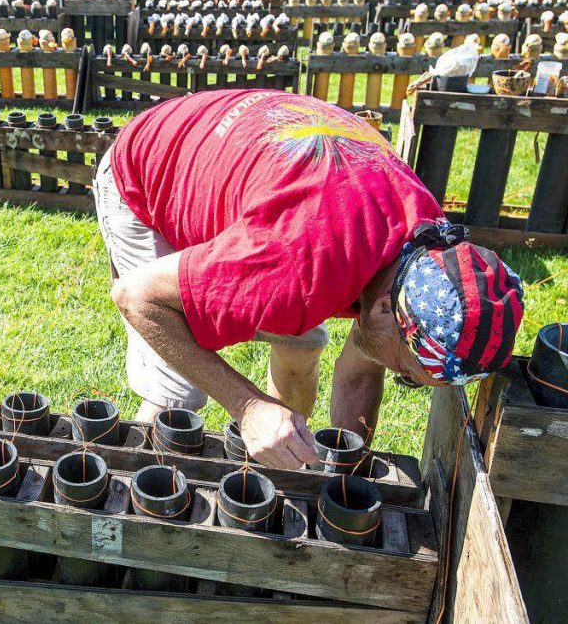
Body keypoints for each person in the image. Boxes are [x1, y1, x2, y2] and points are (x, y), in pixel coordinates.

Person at [95, 89, 524, 470]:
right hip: (147, 168)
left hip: (264, 166)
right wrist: (247, 406)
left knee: (301, 344)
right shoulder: (294, 268)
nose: (397, 371)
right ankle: (133, 516)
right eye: (407, 371)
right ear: (382, 307)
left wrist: (347, 471)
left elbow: (360, 370)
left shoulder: (431, 253)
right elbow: (137, 297)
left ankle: (280, 462)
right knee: (177, 396)